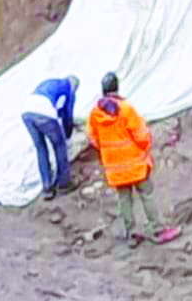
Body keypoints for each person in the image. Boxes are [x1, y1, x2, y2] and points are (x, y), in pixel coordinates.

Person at [86, 72, 180, 246]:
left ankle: (131, 233)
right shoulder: (125, 110)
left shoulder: (94, 114)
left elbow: (93, 138)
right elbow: (141, 135)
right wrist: (144, 150)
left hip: (114, 166)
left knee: (124, 198)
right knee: (146, 194)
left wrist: (108, 152)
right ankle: (156, 230)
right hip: (135, 163)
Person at [21, 76, 81, 200]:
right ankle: (64, 183)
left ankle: (47, 187)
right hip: (44, 113)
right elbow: (67, 114)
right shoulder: (69, 90)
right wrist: (68, 133)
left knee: (41, 148)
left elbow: (58, 108)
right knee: (59, 144)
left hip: (27, 111)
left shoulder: (52, 83)